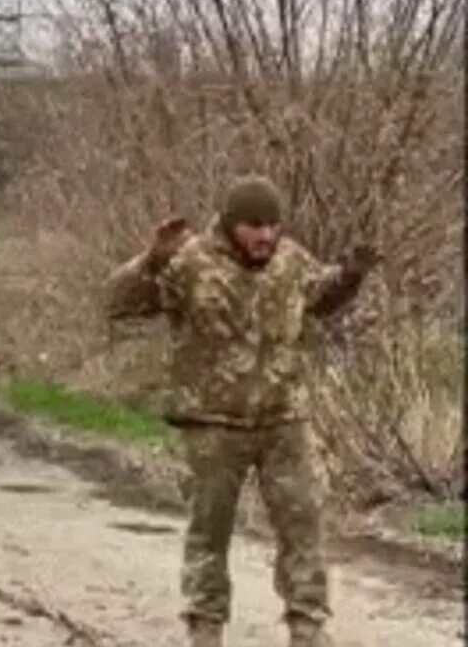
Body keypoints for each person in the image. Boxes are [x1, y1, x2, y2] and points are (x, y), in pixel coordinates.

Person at [103, 175, 379, 647]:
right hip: (213, 422)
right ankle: (206, 629)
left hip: (283, 417)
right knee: (210, 531)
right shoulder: (190, 262)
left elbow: (320, 296)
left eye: (273, 225)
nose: (266, 236)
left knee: (303, 525)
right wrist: (150, 262)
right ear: (231, 225)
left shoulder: (290, 260)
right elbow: (118, 303)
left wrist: (351, 275)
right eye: (254, 226)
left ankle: (308, 628)